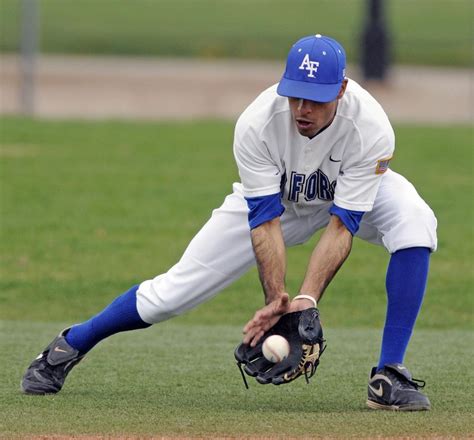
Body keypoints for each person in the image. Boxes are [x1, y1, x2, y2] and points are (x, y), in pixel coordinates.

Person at [21, 34, 437, 411]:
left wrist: (306, 302)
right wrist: (277, 300)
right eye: (295, 95)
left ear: (342, 90)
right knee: (172, 294)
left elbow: (342, 224)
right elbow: (265, 221)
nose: (302, 108)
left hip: (348, 195)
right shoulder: (257, 123)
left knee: (414, 221)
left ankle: (388, 375)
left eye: (316, 98)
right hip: (278, 205)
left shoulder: (371, 128)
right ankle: (68, 346)